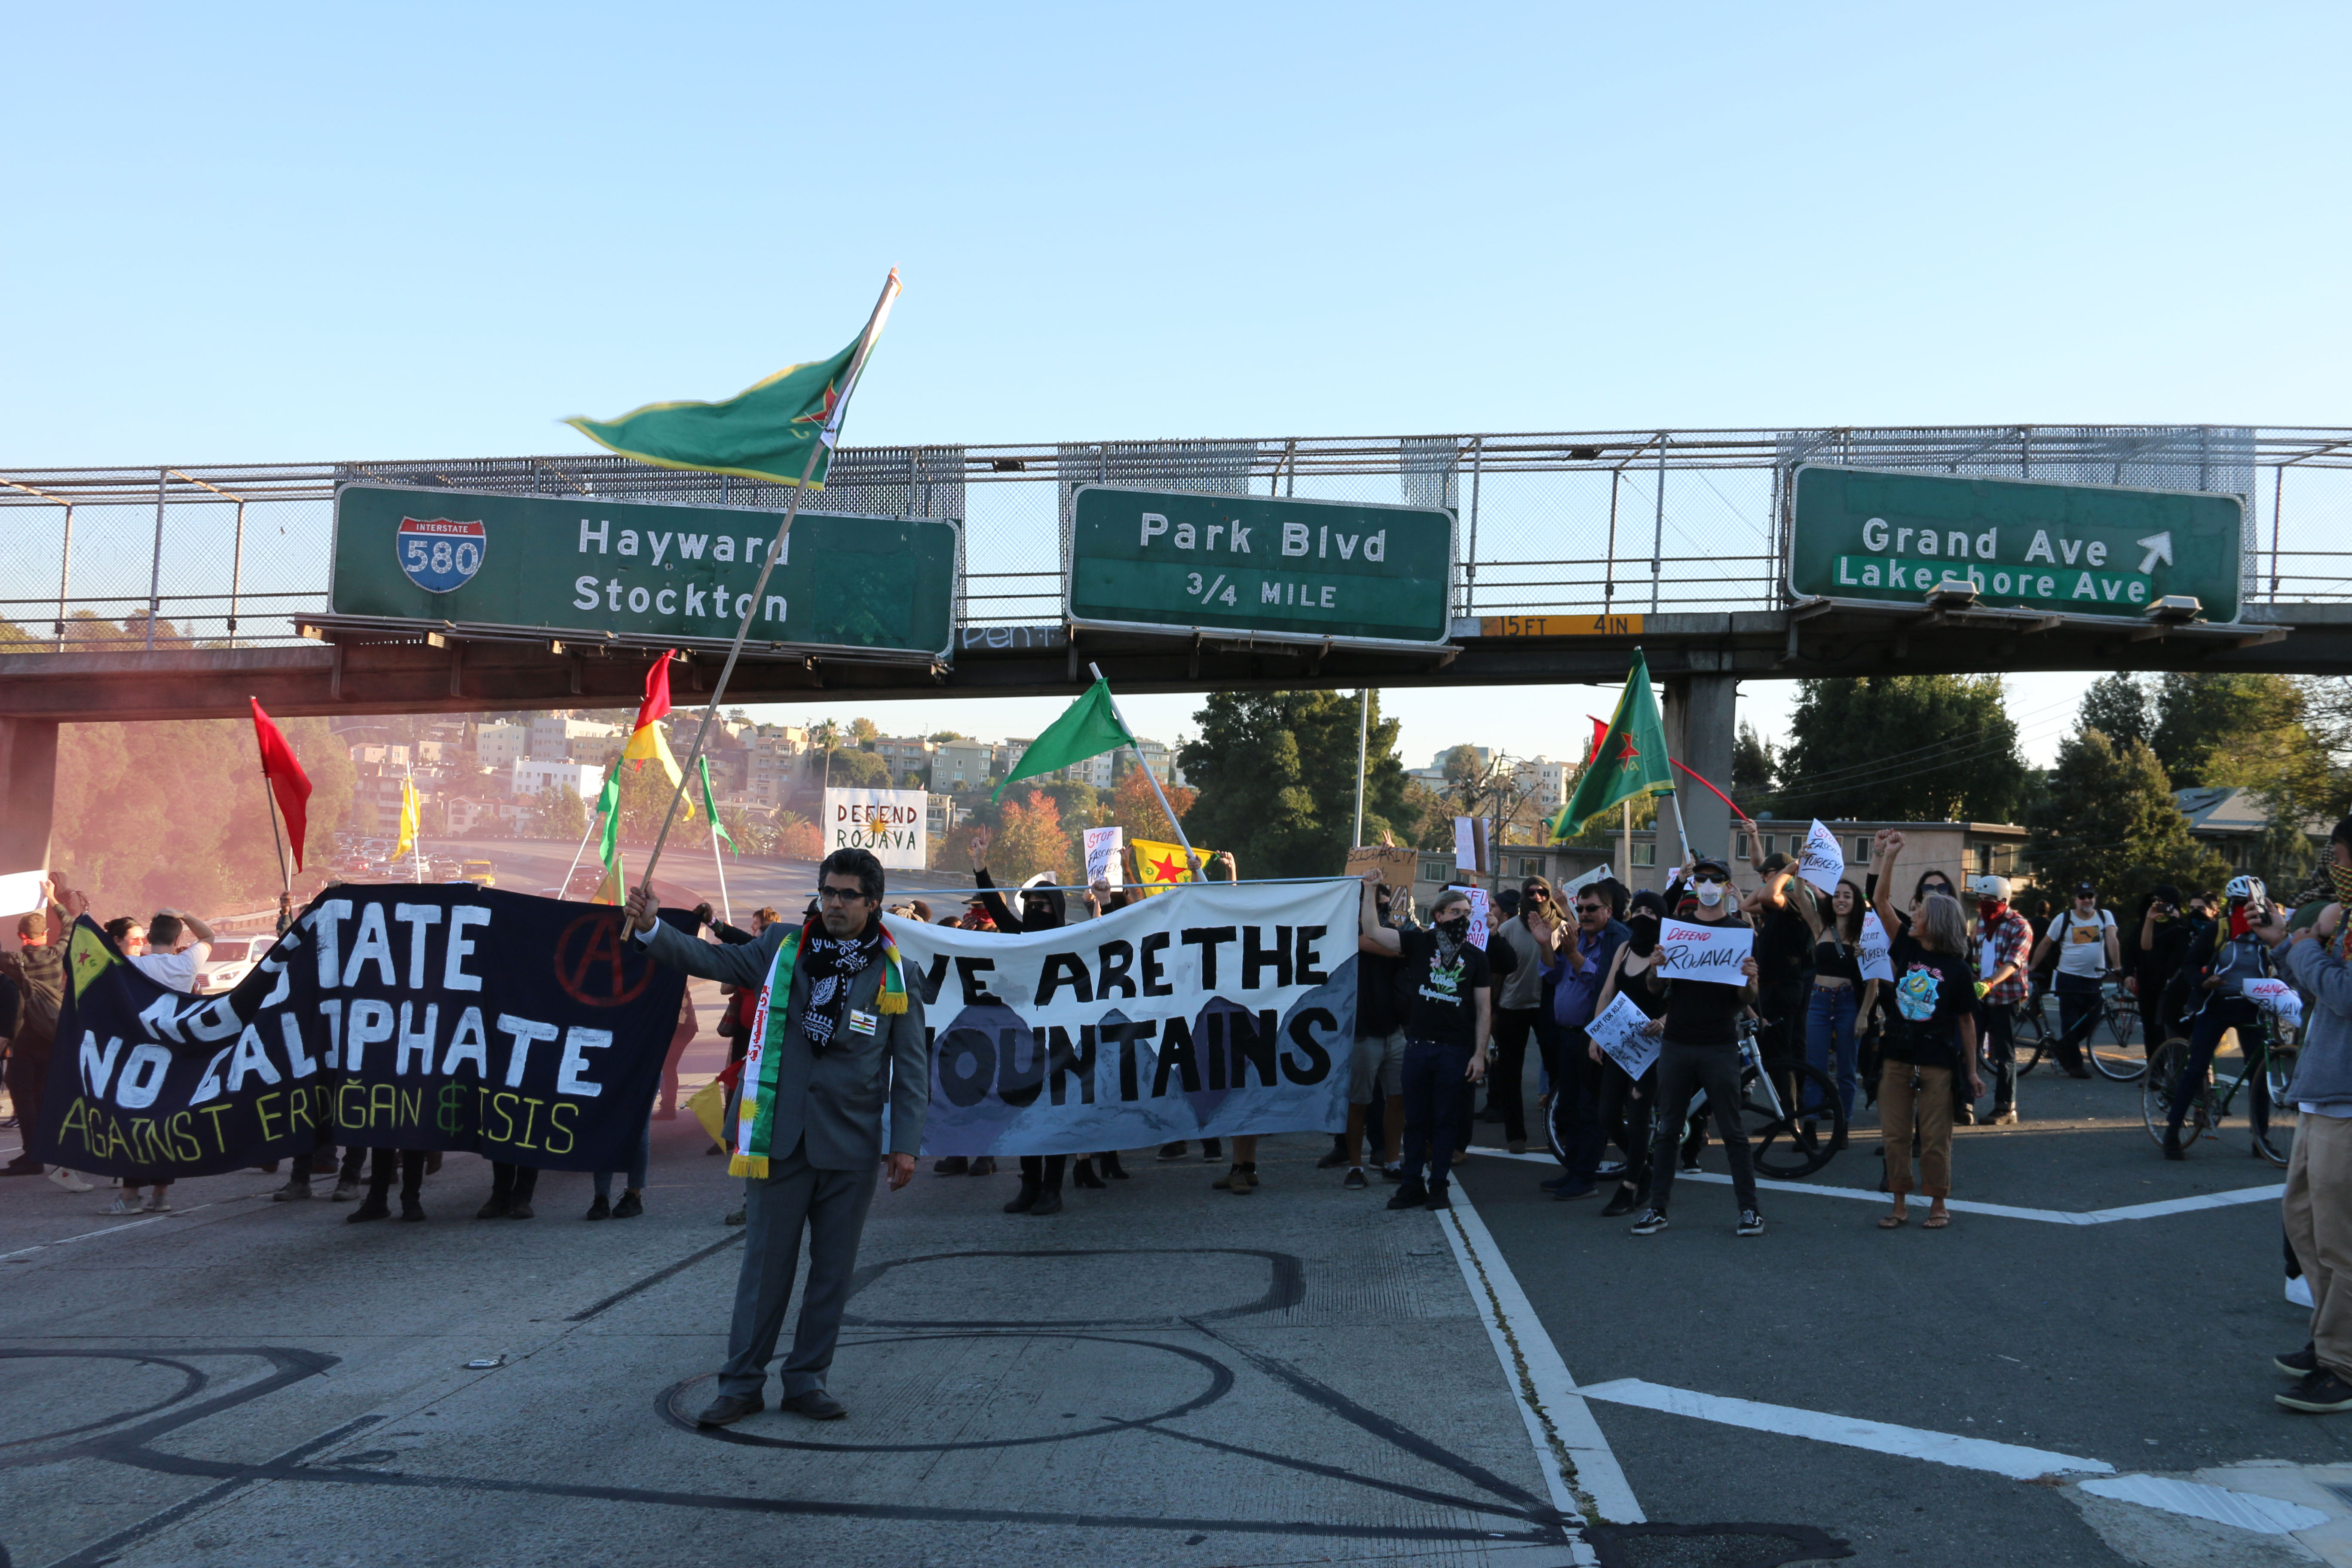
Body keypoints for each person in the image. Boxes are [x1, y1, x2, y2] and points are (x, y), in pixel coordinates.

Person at [624, 845, 929, 1425]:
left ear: (873, 904)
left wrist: (907, 1143)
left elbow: (912, 1070)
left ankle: (807, 1380)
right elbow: (708, 960)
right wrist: (650, 930)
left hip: (851, 1148)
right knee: (764, 1270)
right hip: (776, 1141)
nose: (835, 904)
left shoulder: (897, 976)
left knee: (832, 1273)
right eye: (828, 892)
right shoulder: (781, 949)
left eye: (847, 896)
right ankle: (740, 1384)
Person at [1626, 856, 1764, 1237]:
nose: (1706, 884)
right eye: (1701, 878)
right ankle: (1657, 1209)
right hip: (1677, 1043)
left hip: (1719, 1043)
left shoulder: (1739, 932)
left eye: (1715, 879)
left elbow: (1744, 996)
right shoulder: (1678, 930)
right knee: (1668, 1128)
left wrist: (1752, 981)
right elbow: (1657, 990)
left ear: (1726, 886)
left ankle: (1750, 1210)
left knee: (1733, 1130)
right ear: (1693, 885)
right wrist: (1656, 968)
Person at [2266, 815, 2352, 1411]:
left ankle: (2342, 1364)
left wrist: (2304, 946)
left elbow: (2346, 995)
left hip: (2346, 1101)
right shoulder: (2342, 920)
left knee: (2339, 1238)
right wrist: (2298, 941)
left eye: (2341, 858)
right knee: (2304, 1223)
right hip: (2323, 1092)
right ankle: (2329, 1343)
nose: (2336, 870)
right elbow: (2316, 987)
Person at [1359, 878, 1489, 1212]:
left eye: (1468, 913)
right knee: (1415, 1120)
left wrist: (1479, 1054)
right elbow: (1373, 932)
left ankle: (1439, 1186)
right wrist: (1371, 890)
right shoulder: (1419, 943)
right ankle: (1411, 1184)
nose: (1463, 918)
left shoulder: (1476, 957)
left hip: (1455, 1050)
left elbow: (1484, 1008)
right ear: (1440, 915)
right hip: (1418, 1046)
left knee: (1445, 1121)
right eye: (1456, 912)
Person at [1868, 856, 1981, 1230]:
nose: (1913, 916)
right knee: (1895, 1135)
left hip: (1937, 1061)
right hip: (1897, 1056)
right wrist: (1889, 857)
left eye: (1920, 913)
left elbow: (1966, 1023)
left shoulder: (1959, 971)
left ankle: (1937, 1204)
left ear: (1938, 922)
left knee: (1935, 1138)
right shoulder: (1907, 949)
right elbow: (1880, 902)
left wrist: (1972, 1071)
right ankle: (1899, 1204)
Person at [2162, 874, 2280, 1160]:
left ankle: (2260, 1138)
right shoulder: (2218, 929)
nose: (2247, 910)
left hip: (2252, 1007)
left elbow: (2279, 965)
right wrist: (2204, 982)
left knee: (2260, 1075)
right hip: (2215, 1006)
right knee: (2196, 1067)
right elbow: (2190, 964)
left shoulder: (2267, 933)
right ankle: (2172, 1133)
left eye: (2253, 904)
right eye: (2241, 904)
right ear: (2231, 905)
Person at [1532, 878, 1629, 1200]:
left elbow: (1603, 983)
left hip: (1595, 1039)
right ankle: (1574, 1169)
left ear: (1608, 910)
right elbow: (1553, 974)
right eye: (1581, 908)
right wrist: (1547, 945)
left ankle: (1586, 1177)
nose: (1585, 914)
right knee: (1570, 1107)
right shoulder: (1577, 937)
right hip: (1567, 1036)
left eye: (1592, 909)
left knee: (1590, 1109)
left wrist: (1573, 953)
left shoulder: (1618, 940)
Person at [2, 882, 91, 1192]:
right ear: (44, 936)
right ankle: (48, 1149)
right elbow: (69, 924)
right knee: (42, 1091)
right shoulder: (56, 953)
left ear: (22, 936)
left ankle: (33, 1154)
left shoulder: (17, 961)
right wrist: (53, 898)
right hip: (55, 1034)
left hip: (29, 1036)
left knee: (20, 1089)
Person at [1586, 889, 1668, 1217]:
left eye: (1652, 912)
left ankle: (1630, 1187)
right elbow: (1608, 992)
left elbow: (1685, 999)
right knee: (1607, 1114)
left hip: (1652, 1050)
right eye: (1639, 910)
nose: (1644, 916)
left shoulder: (1668, 953)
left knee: (1637, 1120)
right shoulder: (1623, 949)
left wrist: (1664, 1021)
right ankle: (1644, 1169)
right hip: (1620, 1044)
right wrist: (1595, 1034)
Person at [1338, 877, 1407, 1190]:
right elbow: (1374, 942)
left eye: (1383, 900)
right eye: (1375, 899)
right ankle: (1355, 1166)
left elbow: (1399, 946)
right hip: (1362, 1032)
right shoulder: (1348, 932)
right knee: (1359, 1103)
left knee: (1398, 1099)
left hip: (1394, 1030)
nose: (1382, 905)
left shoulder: (1393, 930)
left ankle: (1393, 1161)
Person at [1794, 877, 1877, 1136]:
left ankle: (1843, 1126)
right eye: (1837, 895)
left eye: (1847, 896)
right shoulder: (1821, 927)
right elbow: (1800, 896)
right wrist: (1800, 871)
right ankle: (1810, 1125)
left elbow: (1874, 980)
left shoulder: (1866, 936)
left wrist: (1864, 1013)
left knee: (1846, 1069)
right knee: (1814, 1066)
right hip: (1818, 1001)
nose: (1841, 900)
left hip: (1848, 1002)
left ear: (1856, 902)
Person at [1485, 877, 1551, 1155]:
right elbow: (1497, 974)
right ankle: (1516, 1135)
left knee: (1558, 1069)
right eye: (1531, 892)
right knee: (1510, 1074)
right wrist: (1492, 1012)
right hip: (1512, 1008)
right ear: (1523, 896)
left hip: (1547, 1008)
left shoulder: (1557, 926)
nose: (1537, 897)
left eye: (1542, 892)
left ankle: (1559, 1126)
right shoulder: (1509, 929)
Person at [2030, 882, 2115, 1078]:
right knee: (2070, 1023)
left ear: (2095, 898)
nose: (2087, 900)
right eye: (2082, 897)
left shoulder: (2104, 916)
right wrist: (2033, 966)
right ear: (2075, 900)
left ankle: (2060, 1048)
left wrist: (2117, 966)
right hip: (2069, 978)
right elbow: (2046, 943)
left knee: (2091, 1022)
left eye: (2090, 896)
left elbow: (2112, 939)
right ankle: (2075, 1066)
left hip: (2094, 979)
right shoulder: (2064, 918)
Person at [1968, 876, 2034, 1124]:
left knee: (2004, 1054)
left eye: (1989, 901)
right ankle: (1965, 1103)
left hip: (2005, 997)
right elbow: (1977, 956)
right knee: (1969, 1048)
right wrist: (1974, 976)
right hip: (1981, 995)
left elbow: (2012, 963)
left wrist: (1988, 983)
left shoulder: (2020, 926)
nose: (1983, 905)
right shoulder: (1983, 924)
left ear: (2003, 901)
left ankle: (2006, 1109)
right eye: (1980, 900)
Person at [2133, 884, 2194, 1047]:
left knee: (2168, 1028)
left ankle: (2172, 1067)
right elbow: (2139, 948)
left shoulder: (2183, 926)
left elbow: (2178, 949)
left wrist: (2174, 919)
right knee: (2150, 1028)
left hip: (2170, 984)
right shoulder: (2145, 924)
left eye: (2163, 902)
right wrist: (2127, 973)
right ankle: (2154, 1068)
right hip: (2148, 982)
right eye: (2156, 901)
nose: (2159, 905)